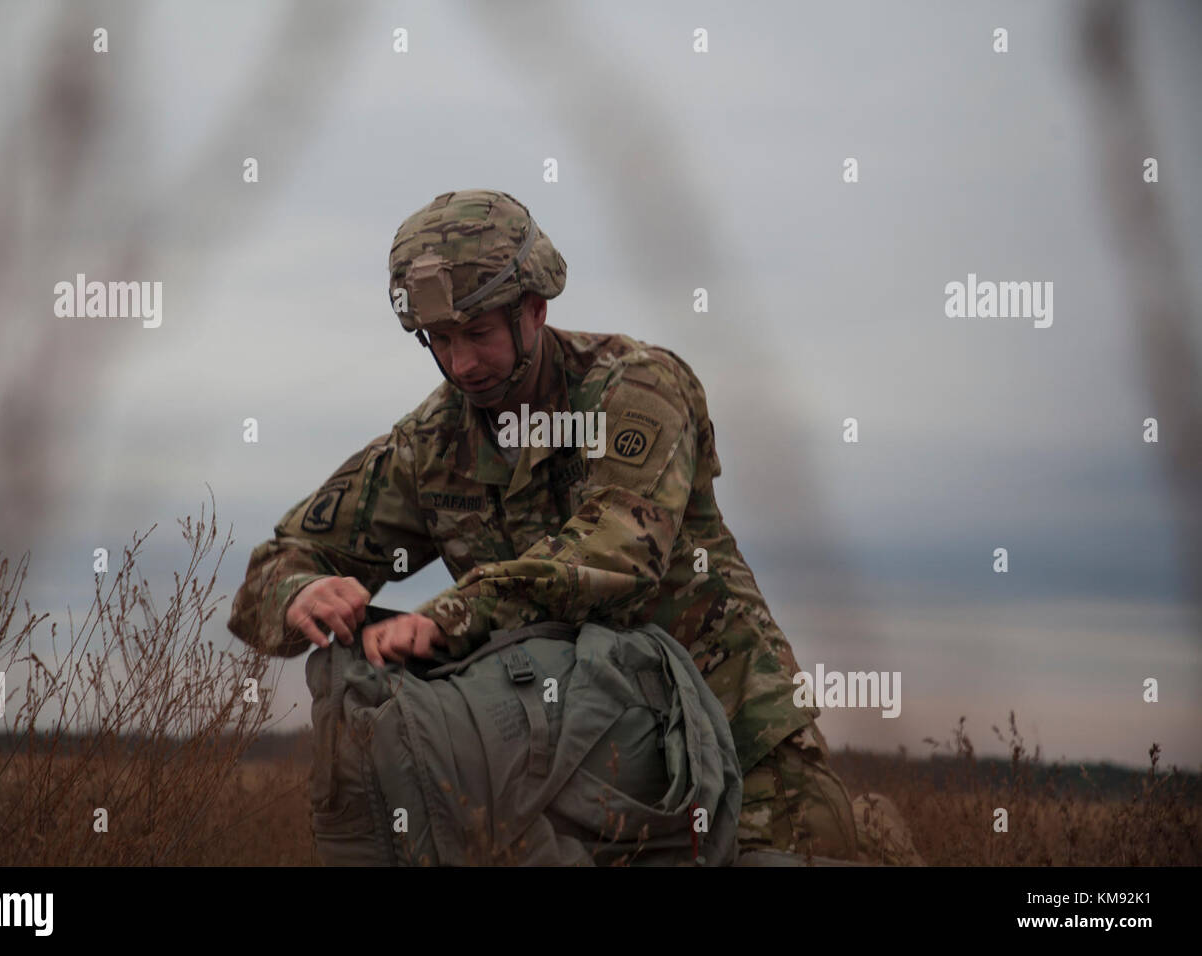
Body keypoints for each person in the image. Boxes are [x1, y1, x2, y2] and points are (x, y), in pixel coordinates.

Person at [226, 188, 923, 866]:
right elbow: (280, 560)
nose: (461, 363)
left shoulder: (636, 387)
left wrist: (453, 614)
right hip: (577, 777)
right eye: (438, 339)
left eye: (477, 333)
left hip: (733, 729)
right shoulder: (429, 447)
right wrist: (298, 593)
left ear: (533, 309)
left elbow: (618, 547)